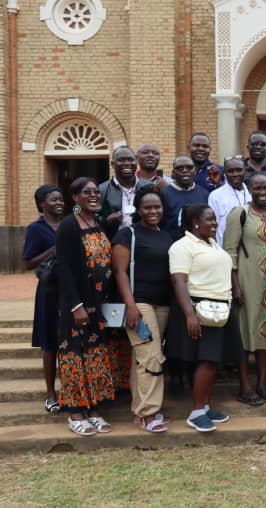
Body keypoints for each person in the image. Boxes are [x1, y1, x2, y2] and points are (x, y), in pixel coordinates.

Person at [54, 177, 115, 436]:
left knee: (95, 356)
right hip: (76, 304)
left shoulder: (96, 222)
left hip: (97, 303)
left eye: (95, 192)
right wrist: (75, 305)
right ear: (75, 197)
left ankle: (94, 409)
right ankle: (75, 412)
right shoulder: (68, 225)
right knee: (74, 357)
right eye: (87, 192)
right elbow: (64, 266)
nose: (94, 195)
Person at [111, 184, 174, 433]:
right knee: (151, 356)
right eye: (147, 207)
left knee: (143, 357)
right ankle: (150, 414)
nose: (152, 211)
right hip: (139, 304)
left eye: (156, 206)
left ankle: (139, 411)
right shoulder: (128, 234)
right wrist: (130, 305)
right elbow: (119, 271)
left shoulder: (167, 235)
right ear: (138, 209)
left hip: (163, 305)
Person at [168, 203, 236, 432]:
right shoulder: (183, 246)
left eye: (215, 219)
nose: (214, 223)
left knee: (212, 360)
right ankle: (196, 412)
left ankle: (205, 407)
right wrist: (189, 314)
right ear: (195, 222)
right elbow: (179, 281)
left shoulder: (213, 244)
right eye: (209, 219)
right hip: (199, 309)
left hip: (220, 310)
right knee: (206, 360)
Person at [224, 173, 266, 407]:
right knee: (245, 332)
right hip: (248, 282)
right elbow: (229, 251)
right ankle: (245, 386)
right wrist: (235, 286)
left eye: (265, 186)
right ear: (249, 188)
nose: (262, 190)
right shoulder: (239, 214)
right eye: (256, 187)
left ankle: (262, 383)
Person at [22, 185, 64, 415]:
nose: (59, 203)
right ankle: (50, 393)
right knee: (49, 343)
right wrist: (53, 250)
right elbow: (28, 262)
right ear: (42, 205)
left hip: (69, 290)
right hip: (48, 291)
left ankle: (72, 389)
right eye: (53, 200)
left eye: (60, 199)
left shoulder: (69, 224)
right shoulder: (36, 229)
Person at [99, 145, 147, 235]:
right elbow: (92, 217)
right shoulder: (102, 189)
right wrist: (106, 221)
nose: (127, 163)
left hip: (143, 240)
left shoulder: (148, 187)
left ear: (136, 161)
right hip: (114, 242)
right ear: (112, 164)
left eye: (131, 160)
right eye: (121, 160)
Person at [162, 155, 211, 239]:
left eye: (189, 168)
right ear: (173, 173)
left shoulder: (204, 193)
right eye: (180, 168)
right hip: (172, 245)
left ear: (195, 171)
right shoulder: (164, 194)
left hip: (200, 245)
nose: (185, 171)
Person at [208, 157, 251, 245]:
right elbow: (212, 227)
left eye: (239, 170)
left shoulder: (252, 193)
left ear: (245, 171)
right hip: (225, 251)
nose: (235, 174)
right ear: (225, 173)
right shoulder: (216, 196)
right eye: (230, 171)